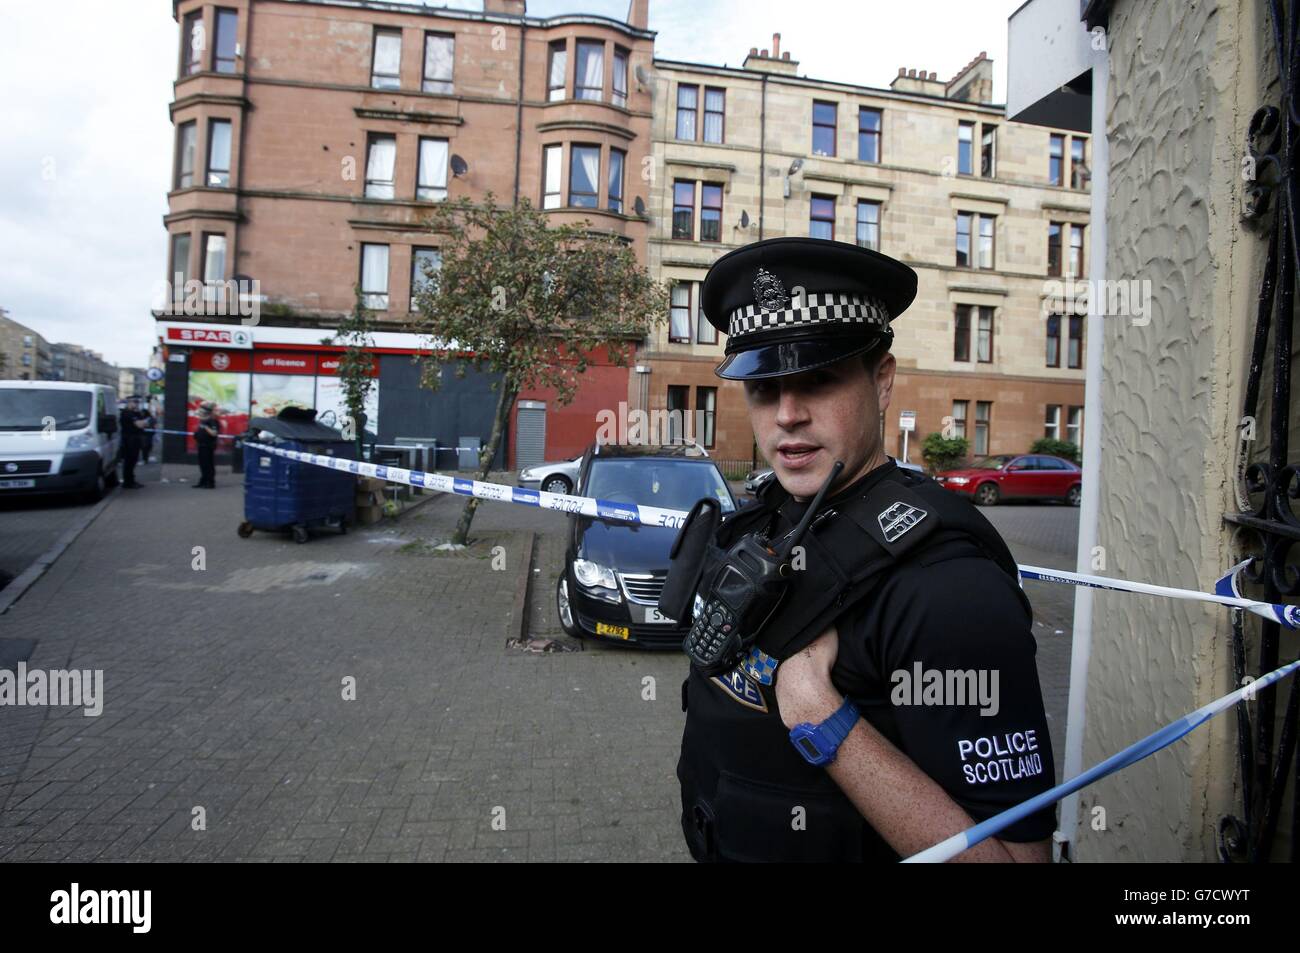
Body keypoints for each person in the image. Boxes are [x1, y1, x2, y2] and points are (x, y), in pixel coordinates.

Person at [667, 237, 1056, 863]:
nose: (787, 415)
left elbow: (1016, 863)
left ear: (882, 382)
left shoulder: (947, 589)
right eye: (764, 387)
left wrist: (822, 717)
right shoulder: (774, 514)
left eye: (818, 380)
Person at [118, 396, 149, 489]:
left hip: (135, 439)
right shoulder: (127, 413)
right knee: (129, 461)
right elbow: (140, 425)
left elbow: (145, 424)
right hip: (129, 440)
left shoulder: (135, 413)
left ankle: (131, 480)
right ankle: (128, 482)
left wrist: (142, 422)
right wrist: (142, 423)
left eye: (137, 402)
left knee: (133, 460)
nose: (136, 404)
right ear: (129, 402)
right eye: (134, 402)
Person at [193, 401, 220, 488]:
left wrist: (205, 427)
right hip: (201, 445)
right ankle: (203, 481)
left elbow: (214, 433)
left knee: (208, 464)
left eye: (201, 413)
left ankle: (210, 482)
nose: (199, 414)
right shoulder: (202, 421)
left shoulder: (212, 421)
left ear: (206, 413)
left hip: (208, 446)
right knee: (202, 464)